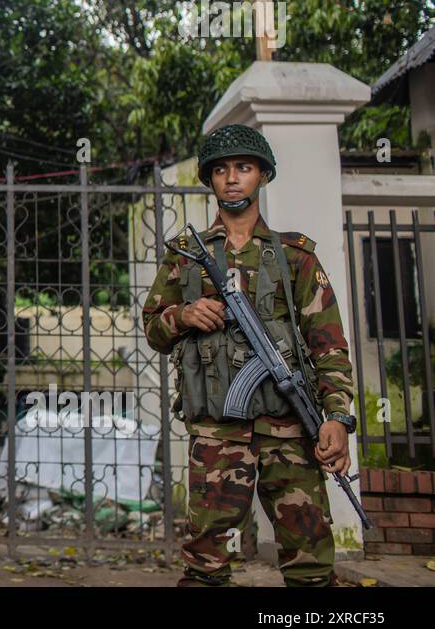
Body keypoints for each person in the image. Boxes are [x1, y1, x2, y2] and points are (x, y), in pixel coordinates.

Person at [142, 124, 356, 587]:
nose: (232, 178)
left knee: (311, 563)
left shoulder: (295, 258)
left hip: (291, 431)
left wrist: (337, 418)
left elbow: (329, 345)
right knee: (206, 563)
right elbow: (153, 329)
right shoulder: (186, 258)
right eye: (221, 170)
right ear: (211, 180)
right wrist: (183, 315)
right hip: (217, 432)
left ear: (262, 175)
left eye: (243, 167)